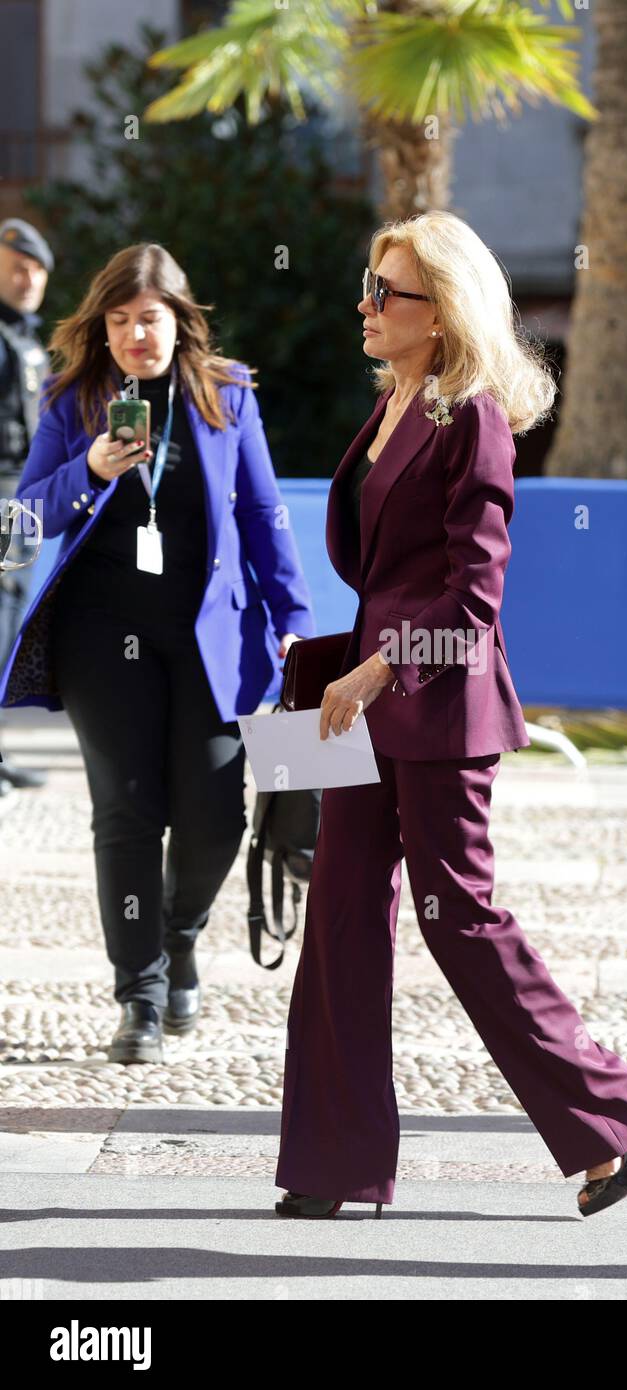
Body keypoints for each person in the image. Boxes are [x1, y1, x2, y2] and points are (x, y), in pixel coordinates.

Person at [274, 210, 627, 1223]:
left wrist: (372, 672)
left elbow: (470, 600)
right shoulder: (392, 401)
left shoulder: (471, 416)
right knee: (342, 912)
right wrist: (329, 663)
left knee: (461, 923)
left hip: (439, 711)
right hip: (362, 700)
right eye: (366, 285)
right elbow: (383, 575)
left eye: (384, 293)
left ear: (440, 315)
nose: (363, 306)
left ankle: (601, 1118)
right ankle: (334, 1160)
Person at [0, 242, 315, 1063]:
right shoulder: (74, 395)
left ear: (179, 322)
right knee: (127, 813)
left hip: (209, 634)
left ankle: (180, 935)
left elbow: (264, 514)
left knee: (215, 815)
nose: (135, 334)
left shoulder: (226, 394)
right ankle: (138, 993)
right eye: (117, 321)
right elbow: (31, 508)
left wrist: (295, 620)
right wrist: (90, 467)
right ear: (100, 331)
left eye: (149, 318)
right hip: (102, 639)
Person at [0, 218, 53, 794]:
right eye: (17, 266)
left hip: (21, 496)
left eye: (37, 270)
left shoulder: (25, 338)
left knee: (7, 623)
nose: (29, 278)